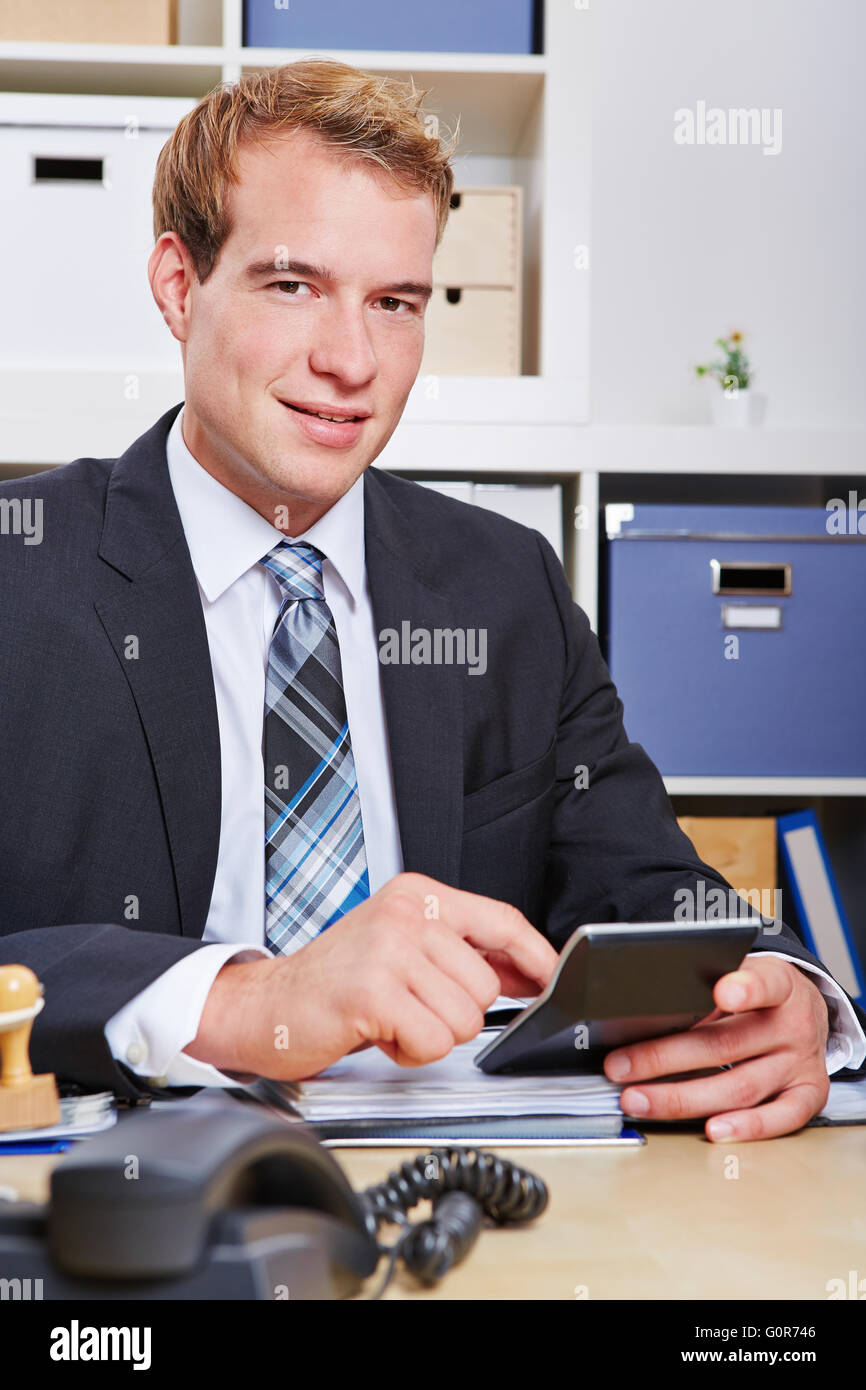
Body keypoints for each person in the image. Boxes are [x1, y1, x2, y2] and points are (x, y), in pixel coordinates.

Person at [0, 60, 862, 1144]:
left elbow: (645, 884)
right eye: (291, 285)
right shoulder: (21, 576)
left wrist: (779, 999)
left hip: (486, 1194)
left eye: (394, 303)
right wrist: (245, 1001)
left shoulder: (506, 587)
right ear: (179, 286)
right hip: (121, 1209)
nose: (350, 360)